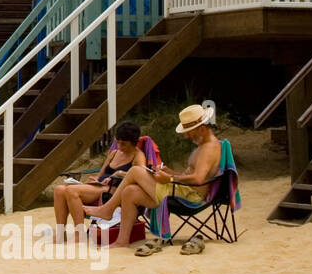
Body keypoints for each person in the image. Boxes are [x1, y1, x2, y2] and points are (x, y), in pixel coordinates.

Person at [84, 104, 222, 250]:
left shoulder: (209, 148)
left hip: (190, 197)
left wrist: (169, 179)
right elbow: (190, 175)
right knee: (129, 192)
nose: (186, 135)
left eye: (189, 131)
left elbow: (198, 179)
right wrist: (170, 172)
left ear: (201, 127)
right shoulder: (203, 146)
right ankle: (122, 240)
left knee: (136, 171)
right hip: (183, 190)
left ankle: (107, 209)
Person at [52, 119, 146, 242]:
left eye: (124, 144)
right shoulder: (114, 153)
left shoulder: (138, 156)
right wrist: (95, 179)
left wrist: (120, 173)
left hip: (113, 191)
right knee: (59, 190)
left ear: (133, 142)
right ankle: (61, 232)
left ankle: (78, 233)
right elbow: (101, 174)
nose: (120, 146)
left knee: (71, 191)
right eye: (118, 142)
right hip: (99, 186)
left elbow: (141, 176)